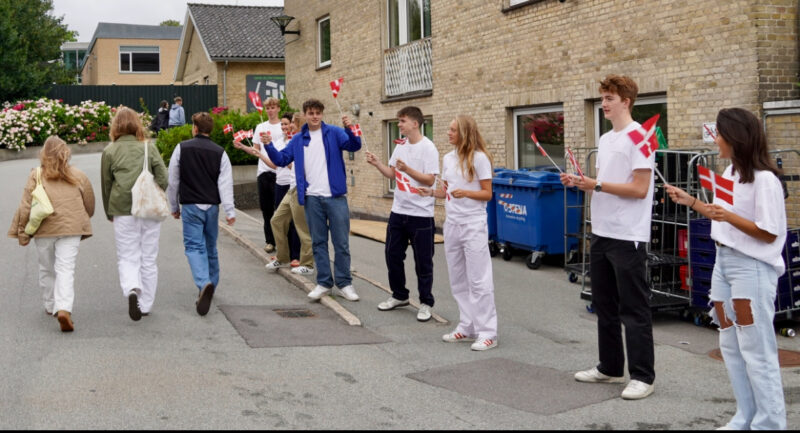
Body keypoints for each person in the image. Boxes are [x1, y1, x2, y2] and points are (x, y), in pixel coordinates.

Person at [665, 108, 787, 429]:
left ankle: (769, 423)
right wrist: (690, 201)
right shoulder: (732, 174)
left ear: (736, 137)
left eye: (719, 133)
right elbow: (721, 214)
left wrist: (727, 216)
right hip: (724, 263)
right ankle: (745, 416)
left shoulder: (765, 181)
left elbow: (769, 231)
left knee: (757, 350)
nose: (715, 139)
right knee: (730, 343)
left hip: (752, 267)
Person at [559, 75, 655, 400]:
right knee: (604, 305)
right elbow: (605, 181)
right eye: (602, 98)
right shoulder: (605, 138)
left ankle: (643, 376)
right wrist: (580, 181)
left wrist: (595, 185)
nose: (603, 104)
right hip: (601, 231)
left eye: (609, 98)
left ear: (626, 101)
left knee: (634, 307)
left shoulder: (641, 138)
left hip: (628, 236)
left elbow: (640, 189)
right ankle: (610, 368)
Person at [264, 98, 361, 302]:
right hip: (311, 198)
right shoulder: (298, 139)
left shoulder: (334, 132)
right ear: (305, 114)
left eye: (318, 113)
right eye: (311, 113)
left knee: (341, 243)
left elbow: (355, 145)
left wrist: (351, 128)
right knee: (318, 242)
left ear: (322, 114)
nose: (315, 116)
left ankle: (344, 283)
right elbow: (281, 160)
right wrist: (268, 145)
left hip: (335, 197)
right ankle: (324, 282)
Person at [418, 115, 498, 350]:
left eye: (453, 130)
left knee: (479, 279)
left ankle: (488, 332)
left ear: (464, 133)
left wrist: (467, 193)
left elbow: (487, 194)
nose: (448, 133)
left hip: (473, 224)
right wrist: (431, 193)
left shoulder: (480, 158)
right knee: (458, 278)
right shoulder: (448, 158)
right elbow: (448, 192)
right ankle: (468, 325)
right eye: (449, 129)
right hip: (452, 223)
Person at [8, 136, 95, 332]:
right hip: (71, 228)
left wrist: (22, 233)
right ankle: (63, 308)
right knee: (66, 269)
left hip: (44, 228)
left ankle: (49, 305)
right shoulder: (78, 175)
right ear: (66, 153)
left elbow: (25, 206)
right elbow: (89, 204)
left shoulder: (36, 175)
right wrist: (82, 217)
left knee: (46, 268)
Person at [365, 106, 439, 322]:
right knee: (392, 255)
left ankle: (426, 302)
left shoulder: (428, 148)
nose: (399, 125)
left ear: (415, 123)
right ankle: (399, 295)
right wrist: (377, 163)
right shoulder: (400, 146)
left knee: (423, 261)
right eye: (398, 121)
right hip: (398, 211)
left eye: (402, 121)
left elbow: (430, 180)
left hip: (421, 215)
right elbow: (392, 174)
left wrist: (408, 170)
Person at [101, 107, 169, 321]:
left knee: (128, 255)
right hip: (148, 208)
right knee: (148, 257)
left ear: (116, 126)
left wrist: (108, 211)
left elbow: (106, 184)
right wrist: (155, 193)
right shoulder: (149, 147)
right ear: (136, 125)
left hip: (122, 208)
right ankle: (146, 304)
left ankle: (132, 288)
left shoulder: (110, 151)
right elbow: (164, 177)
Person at [167, 112, 236, 317]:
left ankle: (203, 282)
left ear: (195, 128)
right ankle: (212, 283)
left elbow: (173, 181)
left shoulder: (182, 148)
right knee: (210, 247)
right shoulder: (220, 152)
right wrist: (230, 210)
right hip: (212, 206)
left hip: (191, 205)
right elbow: (225, 184)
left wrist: (173, 206)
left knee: (194, 247)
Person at [235, 115, 314, 275]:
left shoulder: (306, 141)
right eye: (287, 123)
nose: (288, 126)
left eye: (291, 123)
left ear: (299, 125)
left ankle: (307, 263)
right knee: (276, 220)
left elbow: (303, 165)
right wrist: (267, 146)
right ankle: (282, 257)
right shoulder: (292, 141)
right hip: (290, 188)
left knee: (301, 227)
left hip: (300, 188)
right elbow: (279, 161)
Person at [252, 97, 282, 254]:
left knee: (281, 209)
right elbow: (255, 149)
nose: (270, 110)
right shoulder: (260, 127)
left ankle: (282, 241)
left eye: (273, 107)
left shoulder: (283, 127)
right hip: (263, 172)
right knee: (266, 209)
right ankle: (270, 241)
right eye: (268, 108)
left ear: (278, 108)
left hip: (280, 173)